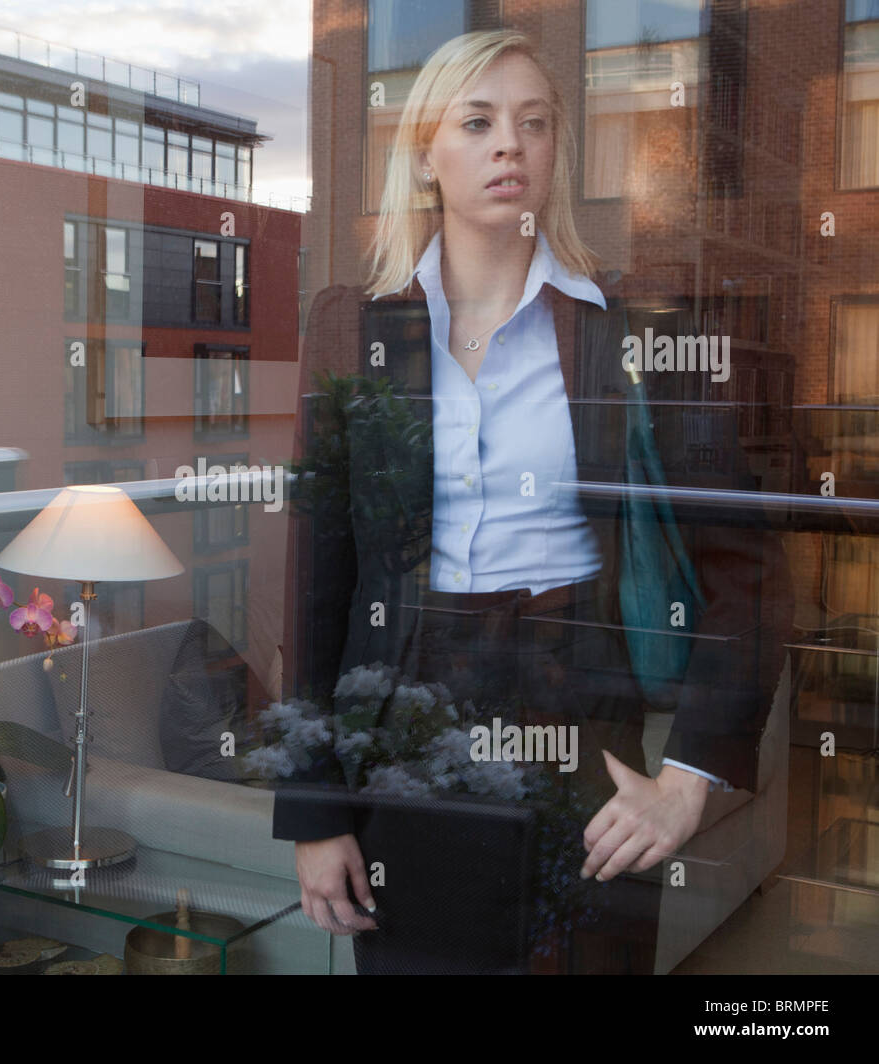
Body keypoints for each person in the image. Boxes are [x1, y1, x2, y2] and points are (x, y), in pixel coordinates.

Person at [268, 29, 792, 974]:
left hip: (583, 729)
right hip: (409, 741)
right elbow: (321, 574)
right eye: (477, 122)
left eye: (534, 123)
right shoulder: (352, 327)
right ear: (426, 154)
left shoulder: (631, 330)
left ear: (555, 152)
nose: (509, 144)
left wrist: (690, 778)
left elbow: (744, 568)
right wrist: (314, 810)